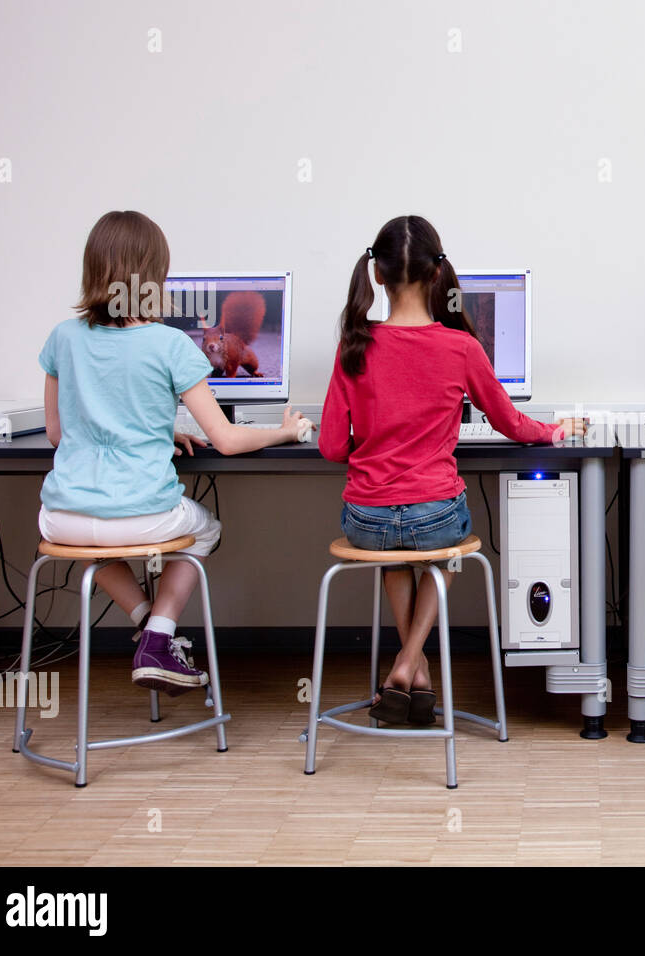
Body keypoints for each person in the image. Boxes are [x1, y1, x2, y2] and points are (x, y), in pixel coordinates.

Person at [319, 215, 583, 724]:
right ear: (437, 274)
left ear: (377, 275)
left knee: (392, 555)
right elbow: (510, 423)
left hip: (366, 522)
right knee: (442, 553)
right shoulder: (461, 347)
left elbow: (331, 447)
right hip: (436, 517)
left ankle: (412, 670)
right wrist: (554, 431)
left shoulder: (353, 344)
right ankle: (409, 664)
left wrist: (373, 438)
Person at [39, 210, 308, 695]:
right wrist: (285, 432)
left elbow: (59, 435)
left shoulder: (62, 337)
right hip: (143, 514)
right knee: (206, 528)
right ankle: (159, 635)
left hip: (61, 517)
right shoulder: (170, 344)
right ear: (155, 275)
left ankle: (146, 625)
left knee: (91, 542)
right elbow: (225, 439)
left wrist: (161, 433)